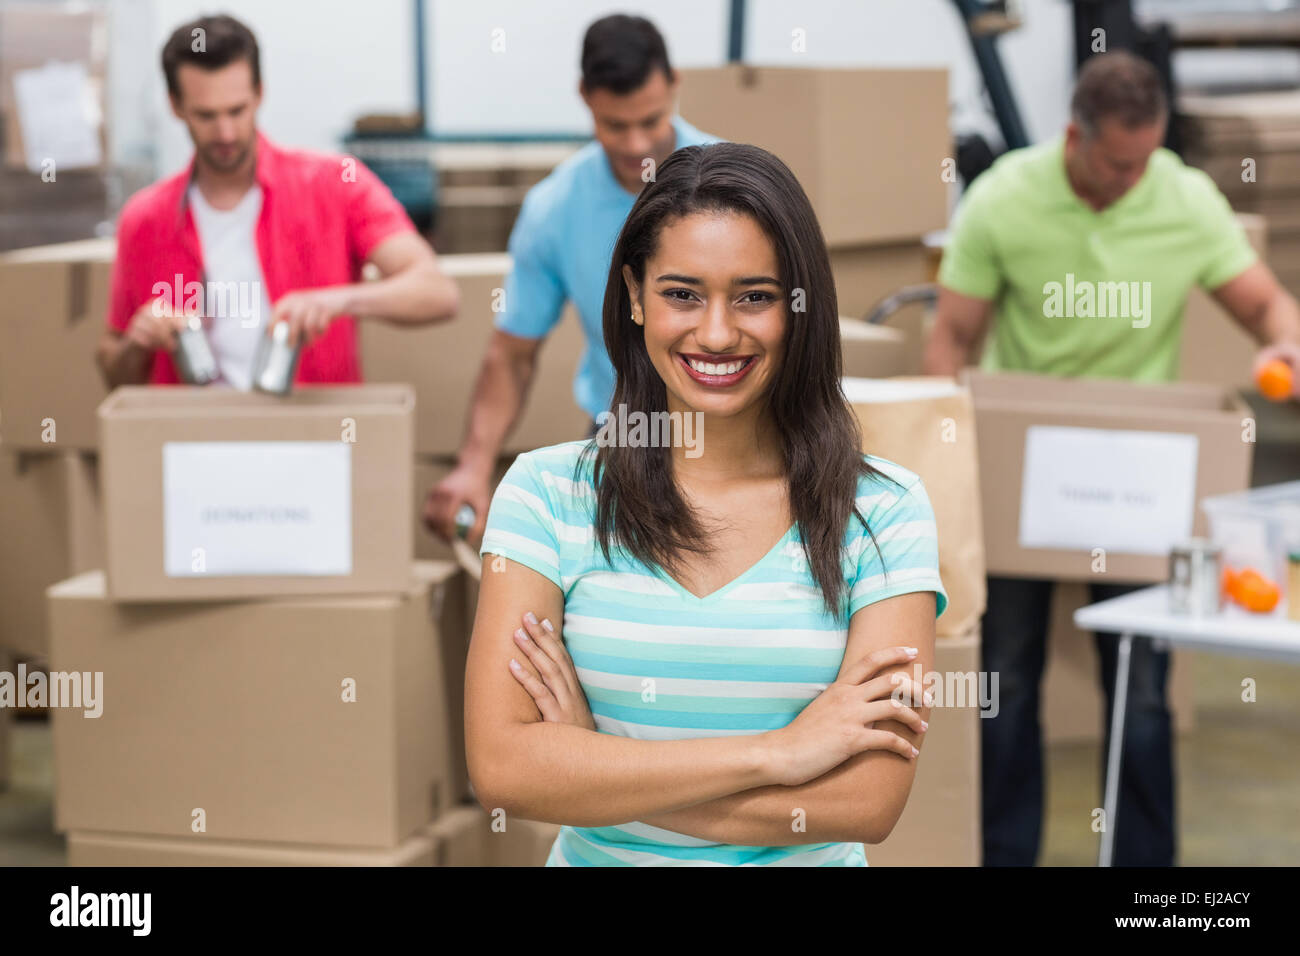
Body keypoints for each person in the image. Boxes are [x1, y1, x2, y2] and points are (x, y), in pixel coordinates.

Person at [463, 142, 949, 866]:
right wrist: (778, 753)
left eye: (753, 296)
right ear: (634, 295)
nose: (717, 333)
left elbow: (865, 804)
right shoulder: (546, 495)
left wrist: (594, 766)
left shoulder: (883, 512)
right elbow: (504, 771)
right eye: (682, 294)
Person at [924, 50, 1300, 866]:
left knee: (1142, 692)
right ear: (1075, 135)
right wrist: (943, 459)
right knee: (1009, 680)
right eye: (1117, 162)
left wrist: (1287, 342)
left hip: (1140, 478)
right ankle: (1005, 855)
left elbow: (1266, 303)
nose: (1134, 178)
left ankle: (1144, 876)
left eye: (1147, 159)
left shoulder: (1183, 196)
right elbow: (951, 337)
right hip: (1025, 470)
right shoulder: (1006, 199)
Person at [423, 14, 717, 546]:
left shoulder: (735, 186)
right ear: (584, 98)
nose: (637, 144)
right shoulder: (555, 208)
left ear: (675, 85)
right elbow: (512, 355)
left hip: (737, 422)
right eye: (614, 125)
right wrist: (473, 465)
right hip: (622, 431)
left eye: (651, 120)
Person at [96, 14, 458, 389]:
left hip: (313, 437)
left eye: (237, 110)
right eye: (206, 116)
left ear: (259, 94)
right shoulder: (144, 219)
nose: (226, 132)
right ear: (175, 105)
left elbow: (437, 292)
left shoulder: (336, 185)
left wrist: (338, 302)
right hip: (192, 440)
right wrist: (137, 341)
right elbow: (113, 373)